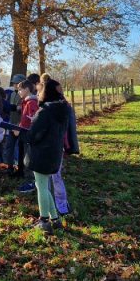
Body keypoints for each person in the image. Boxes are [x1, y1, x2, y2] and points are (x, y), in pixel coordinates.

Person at [25, 78, 70, 234]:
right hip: (55, 152)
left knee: (41, 187)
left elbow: (34, 134)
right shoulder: (64, 109)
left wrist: (28, 134)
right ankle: (55, 219)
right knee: (44, 186)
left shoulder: (45, 111)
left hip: (41, 153)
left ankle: (44, 220)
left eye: (40, 89)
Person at [50, 81, 80, 216]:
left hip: (57, 145)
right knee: (52, 176)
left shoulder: (59, 106)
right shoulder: (58, 105)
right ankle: (54, 203)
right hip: (56, 145)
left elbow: (65, 129)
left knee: (55, 176)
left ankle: (62, 204)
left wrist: (68, 146)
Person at [16, 80, 40, 193]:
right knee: (26, 158)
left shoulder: (31, 103)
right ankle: (30, 181)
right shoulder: (26, 102)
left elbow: (33, 121)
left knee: (29, 159)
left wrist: (21, 127)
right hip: (24, 134)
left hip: (29, 135)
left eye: (20, 89)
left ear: (27, 89)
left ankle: (32, 183)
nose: (19, 92)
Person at [3, 73, 26, 175]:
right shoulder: (11, 94)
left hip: (21, 126)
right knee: (9, 147)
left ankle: (21, 170)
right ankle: (9, 168)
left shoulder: (25, 95)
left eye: (16, 83)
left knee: (21, 149)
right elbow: (9, 108)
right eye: (14, 83)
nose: (14, 85)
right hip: (12, 125)